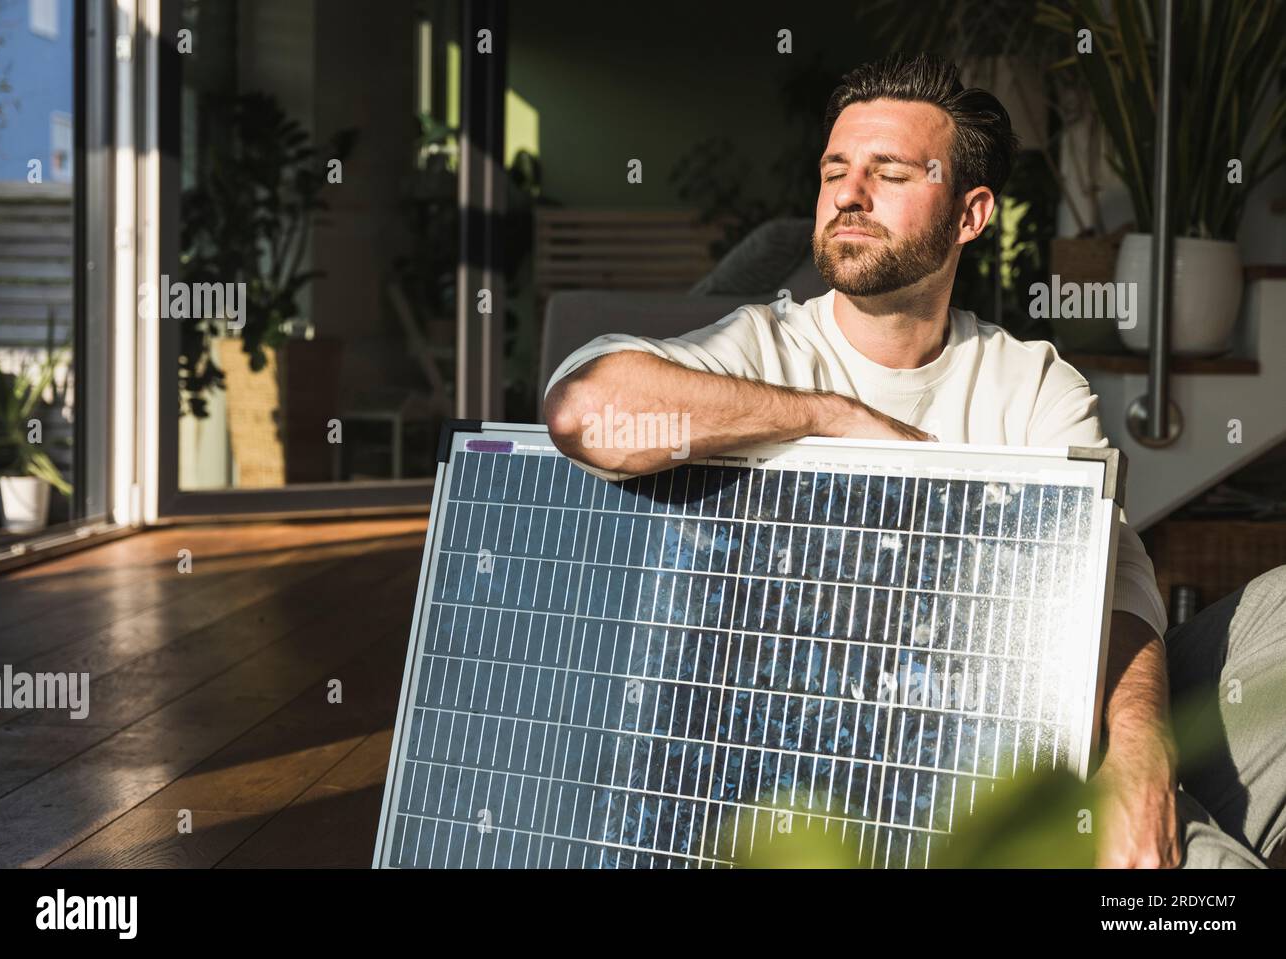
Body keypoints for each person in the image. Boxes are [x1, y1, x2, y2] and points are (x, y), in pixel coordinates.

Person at [542, 52, 1286, 868]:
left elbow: (1110, 585)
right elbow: (583, 411)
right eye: (835, 170)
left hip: (1022, 745)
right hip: (804, 772)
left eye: (888, 172)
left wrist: (1138, 758)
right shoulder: (759, 349)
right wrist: (833, 420)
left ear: (971, 216)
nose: (849, 194)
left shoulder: (1031, 384)